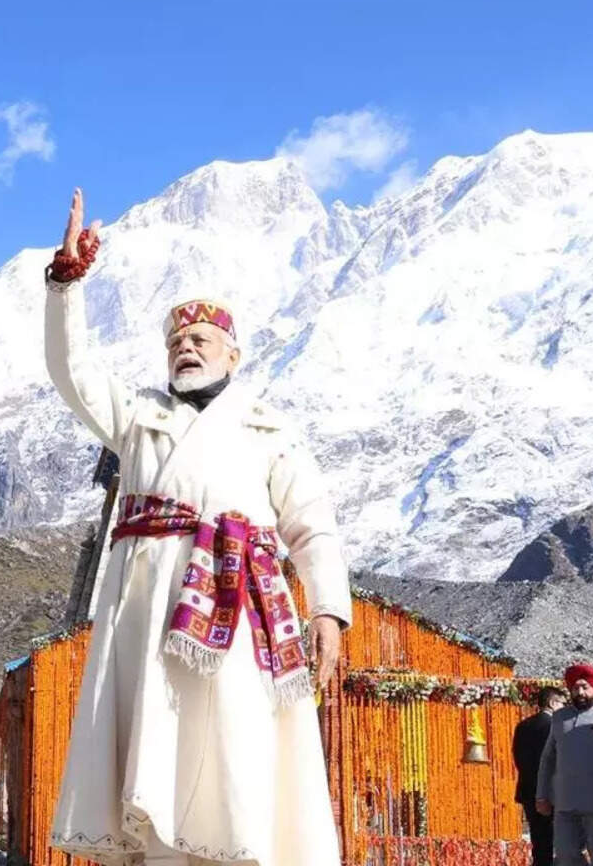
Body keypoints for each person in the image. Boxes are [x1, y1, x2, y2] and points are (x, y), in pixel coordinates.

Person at [45, 189, 352, 866]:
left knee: (236, 753)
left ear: (233, 355)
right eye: (177, 342)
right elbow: (73, 373)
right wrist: (67, 284)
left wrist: (328, 610)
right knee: (154, 752)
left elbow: (313, 524)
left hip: (238, 617)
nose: (186, 348)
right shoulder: (138, 417)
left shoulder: (269, 428)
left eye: (201, 340)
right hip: (148, 619)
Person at [536, 662, 593, 866]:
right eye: (576, 687)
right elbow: (548, 759)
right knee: (565, 856)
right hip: (566, 803)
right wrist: (542, 794)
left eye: (585, 687)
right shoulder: (559, 719)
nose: (580, 692)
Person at [512, 685, 565, 865]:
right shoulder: (556, 726)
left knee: (539, 842)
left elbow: (518, 758)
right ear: (552, 703)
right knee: (558, 842)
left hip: (528, 792)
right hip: (552, 793)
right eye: (562, 704)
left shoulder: (522, 726)